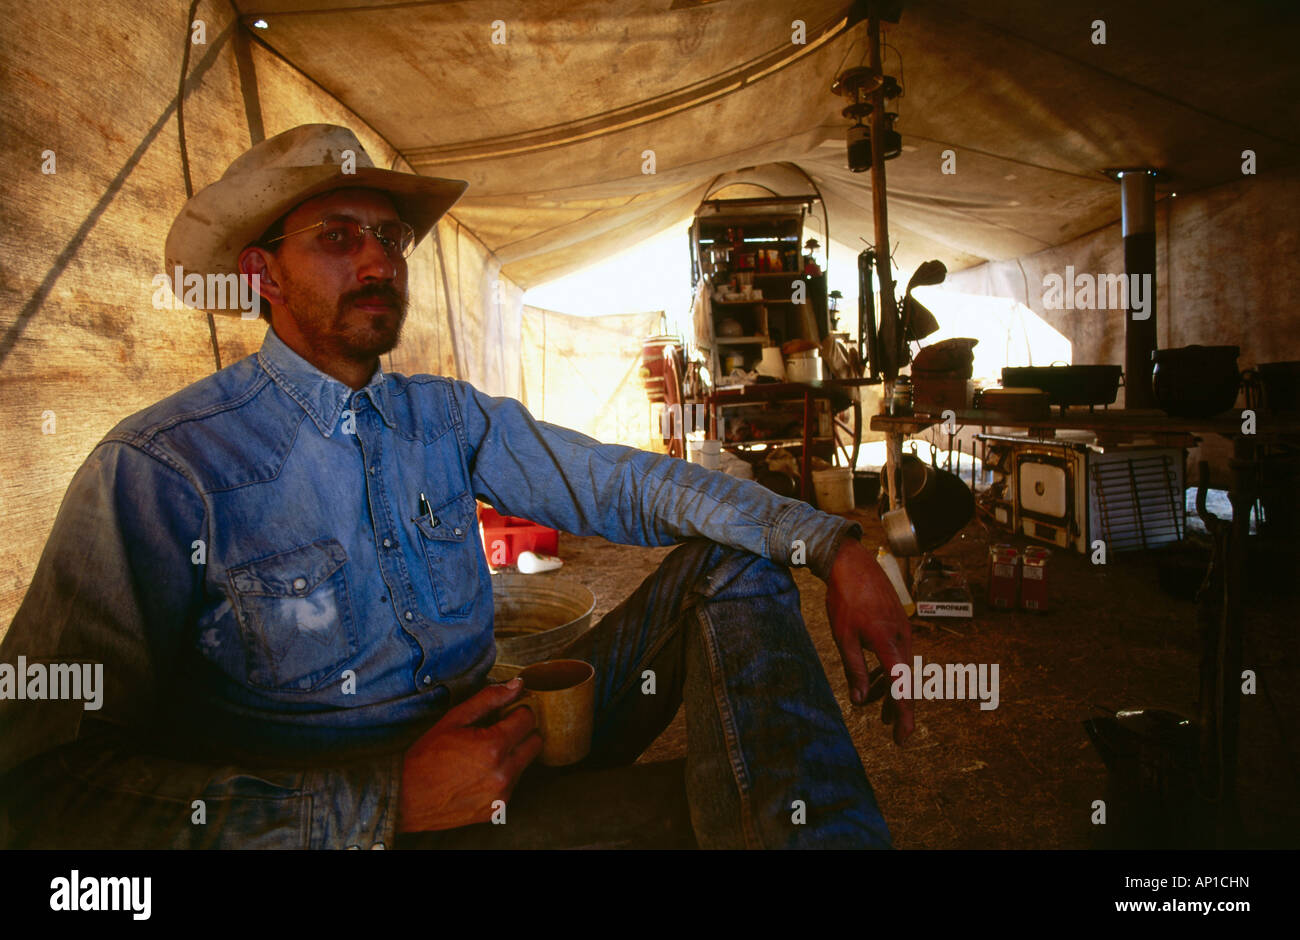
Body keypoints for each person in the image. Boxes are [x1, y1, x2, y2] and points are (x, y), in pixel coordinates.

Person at [0, 124, 913, 850]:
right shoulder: (165, 468)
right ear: (261, 272)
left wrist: (831, 544)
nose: (380, 261)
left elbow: (625, 483)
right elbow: (36, 788)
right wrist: (381, 804)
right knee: (723, 815)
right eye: (338, 236)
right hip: (378, 820)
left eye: (391, 238)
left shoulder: (443, 417)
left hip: (513, 747)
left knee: (733, 567)